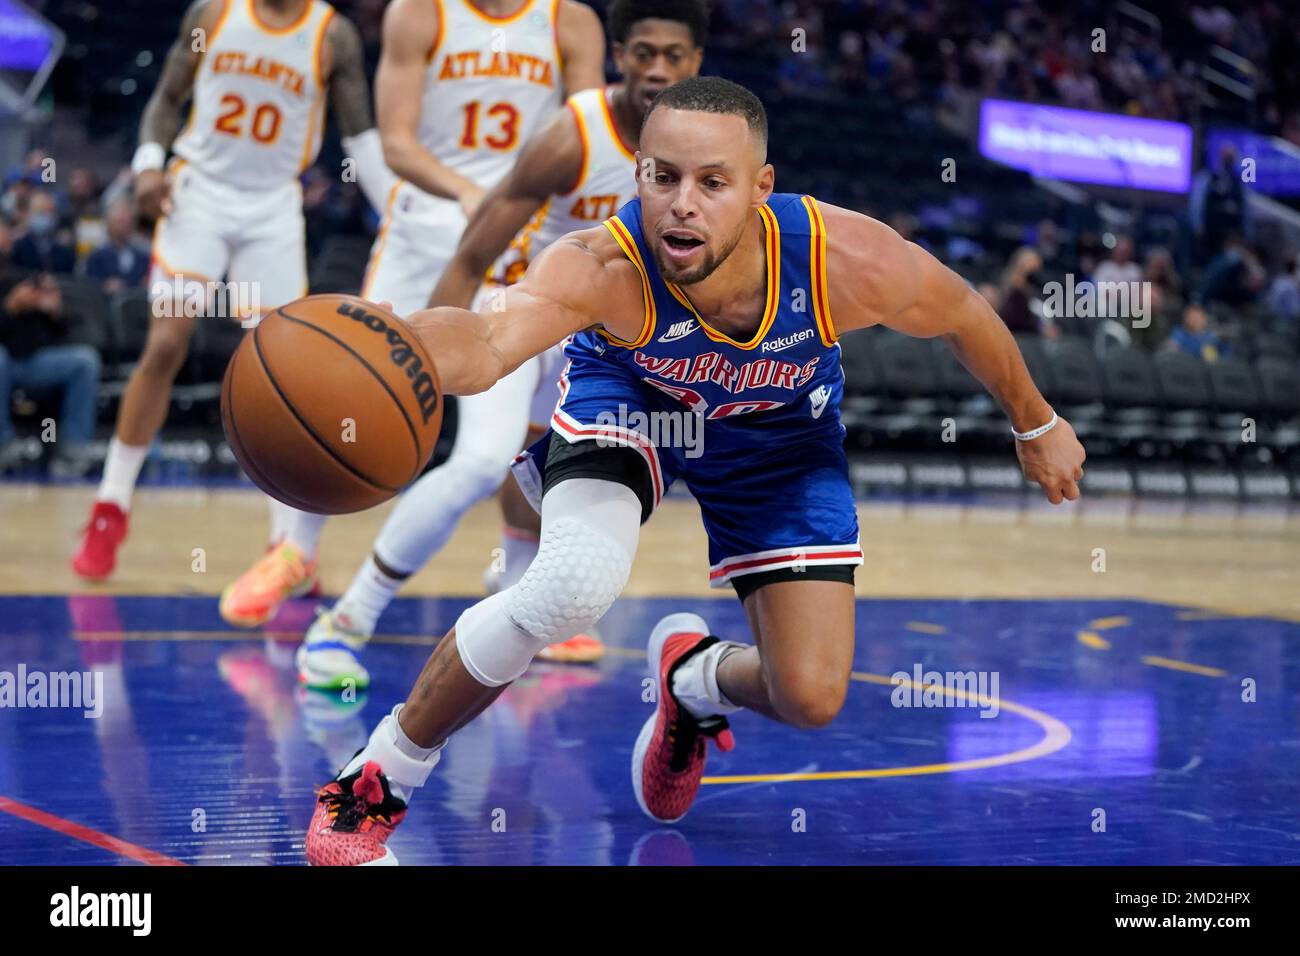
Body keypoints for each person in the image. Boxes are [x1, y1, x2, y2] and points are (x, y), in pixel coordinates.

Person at [297, 77, 1087, 865]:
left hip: (777, 432)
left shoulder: (840, 257)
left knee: (811, 696)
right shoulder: (603, 264)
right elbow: (487, 340)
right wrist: (392, 344)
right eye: (663, 176)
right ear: (636, 171)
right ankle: (377, 777)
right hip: (634, 399)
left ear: (759, 188)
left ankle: (693, 681)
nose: (682, 202)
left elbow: (960, 312)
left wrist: (1036, 420)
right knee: (572, 582)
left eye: (712, 183)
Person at [297, 0, 708, 689]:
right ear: (619, 56)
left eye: (673, 57)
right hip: (516, 301)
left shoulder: (704, 150)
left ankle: (521, 607)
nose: (657, 71)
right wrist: (423, 357)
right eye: (643, 54)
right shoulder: (574, 134)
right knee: (483, 459)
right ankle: (345, 621)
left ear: (697, 64)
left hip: (593, 326)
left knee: (541, 465)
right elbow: (473, 248)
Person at [221, 0, 608, 628]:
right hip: (420, 236)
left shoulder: (567, 21)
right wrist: (463, 190)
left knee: (492, 453)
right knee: (333, 394)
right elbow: (396, 142)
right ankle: (296, 552)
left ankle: (512, 579)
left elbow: (593, 135)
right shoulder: (422, 13)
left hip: (508, 249)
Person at [70, 0, 395, 582]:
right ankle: (110, 506)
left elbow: (362, 139)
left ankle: (284, 546)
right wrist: (148, 165)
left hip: (272, 208)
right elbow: (168, 98)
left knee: (280, 374)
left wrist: (396, 207)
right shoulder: (214, 13)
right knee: (166, 345)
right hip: (199, 195)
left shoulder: (332, 35)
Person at [0, 250, 101, 476]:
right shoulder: (12, 294)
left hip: (35, 362)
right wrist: (10, 308)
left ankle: (73, 451)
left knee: (85, 361)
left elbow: (60, 336)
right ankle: (3, 445)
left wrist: (54, 312)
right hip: (5, 363)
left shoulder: (22, 281)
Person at [84, 199, 150, 295]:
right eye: (121, 221)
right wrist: (104, 286)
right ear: (109, 224)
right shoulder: (96, 257)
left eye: (129, 221)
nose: (125, 225)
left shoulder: (144, 256)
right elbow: (89, 285)